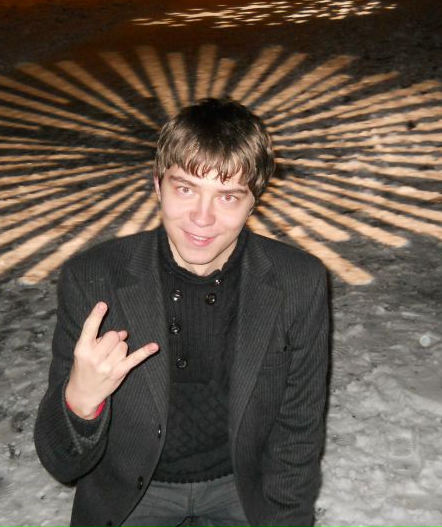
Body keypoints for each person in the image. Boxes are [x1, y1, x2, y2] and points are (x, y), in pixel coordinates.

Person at [34, 97, 330, 527]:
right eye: (186, 189)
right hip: (134, 491)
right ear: (158, 184)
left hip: (242, 486)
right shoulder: (94, 279)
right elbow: (62, 463)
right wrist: (81, 399)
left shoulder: (298, 282)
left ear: (254, 201)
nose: (202, 218)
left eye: (228, 196)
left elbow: (297, 432)